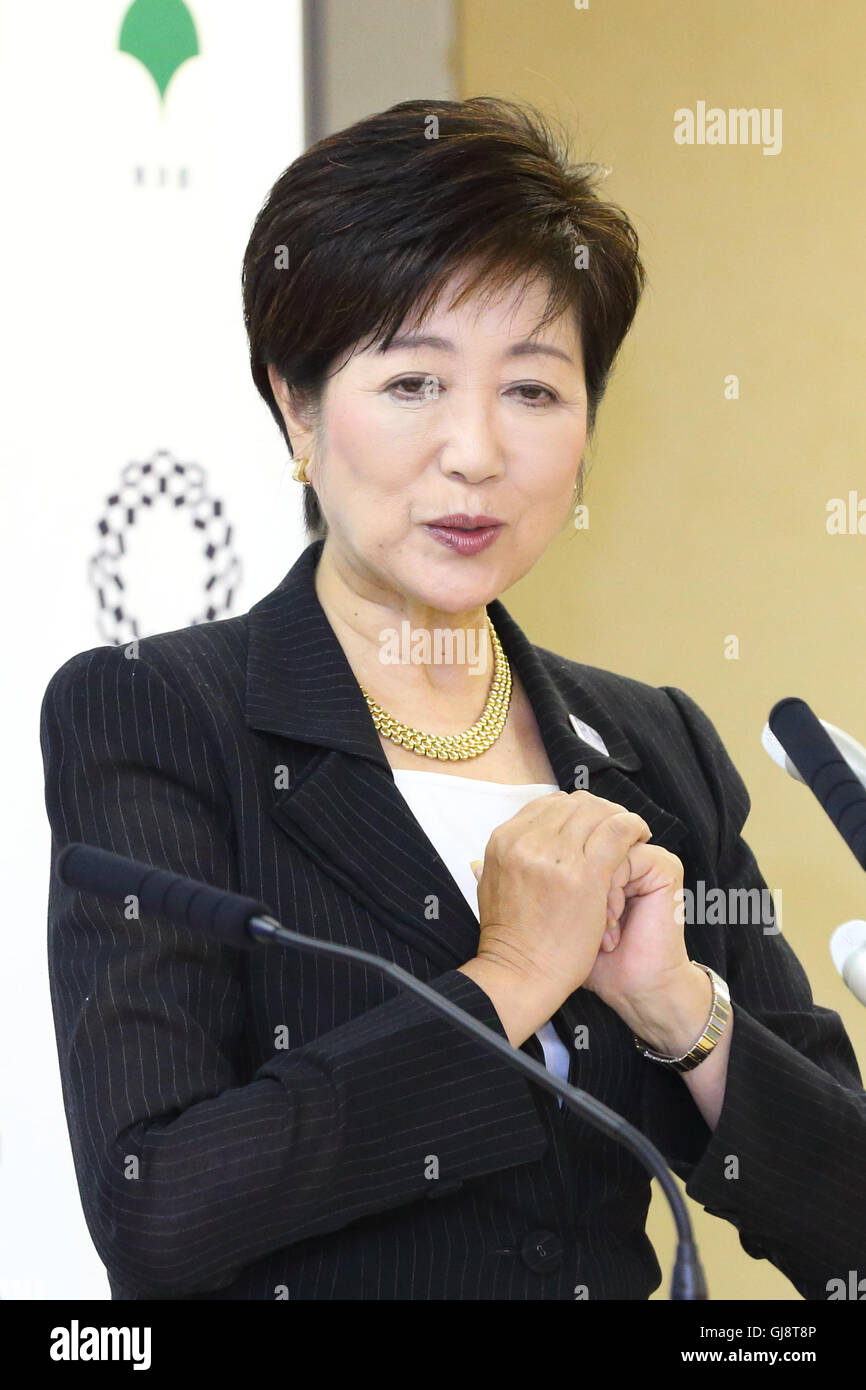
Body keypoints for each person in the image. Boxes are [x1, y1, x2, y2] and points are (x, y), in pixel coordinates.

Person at [41, 97, 865, 1301]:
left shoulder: (652, 747)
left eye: (533, 391)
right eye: (415, 382)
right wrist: (510, 979)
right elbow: (158, 1209)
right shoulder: (161, 716)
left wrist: (682, 1014)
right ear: (296, 405)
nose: (475, 450)